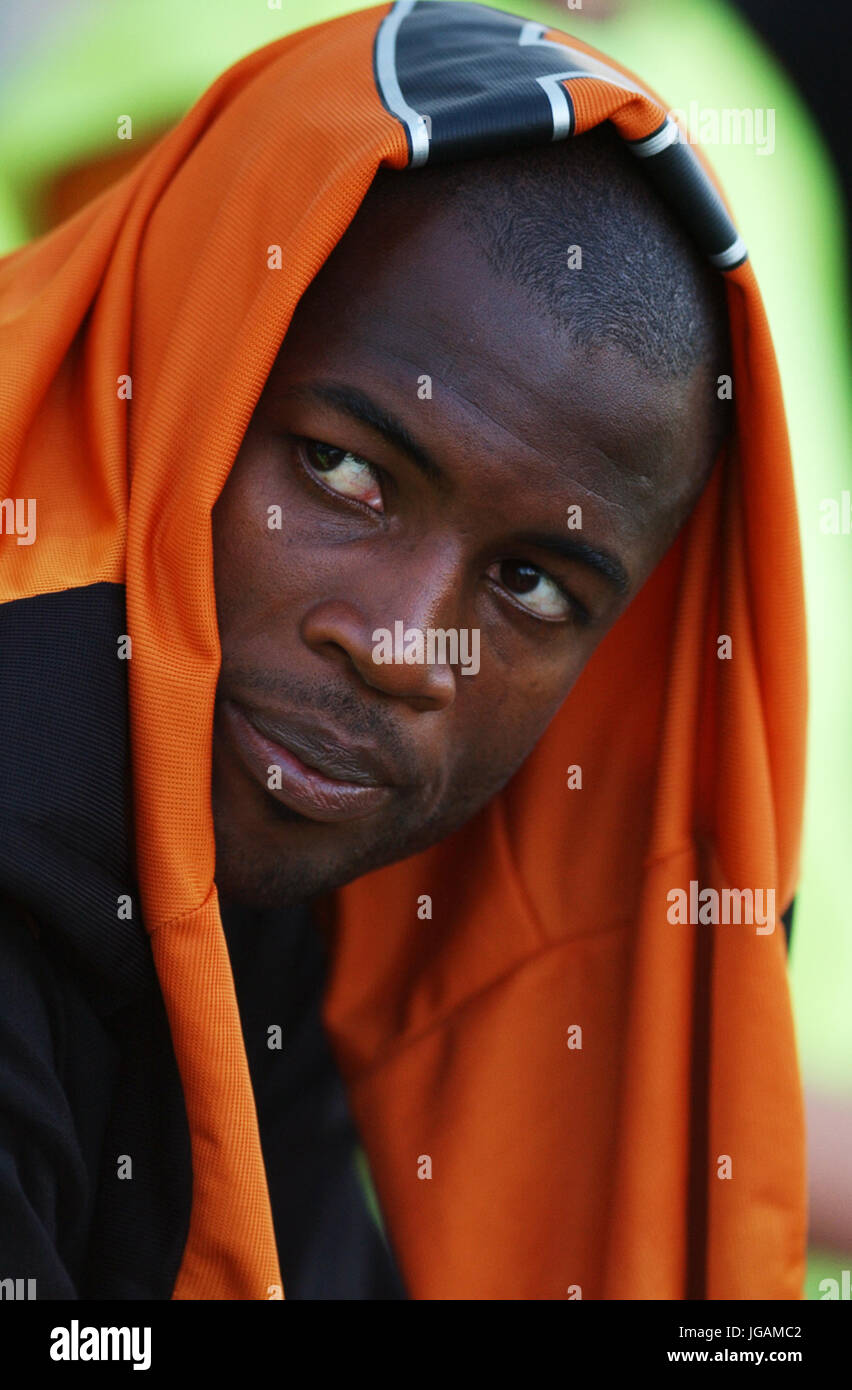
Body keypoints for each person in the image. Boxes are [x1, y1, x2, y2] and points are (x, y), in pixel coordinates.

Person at [0, 1, 806, 1300]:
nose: (400, 647)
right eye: (343, 469)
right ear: (177, 359)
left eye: (533, 582)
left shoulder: (253, 854)